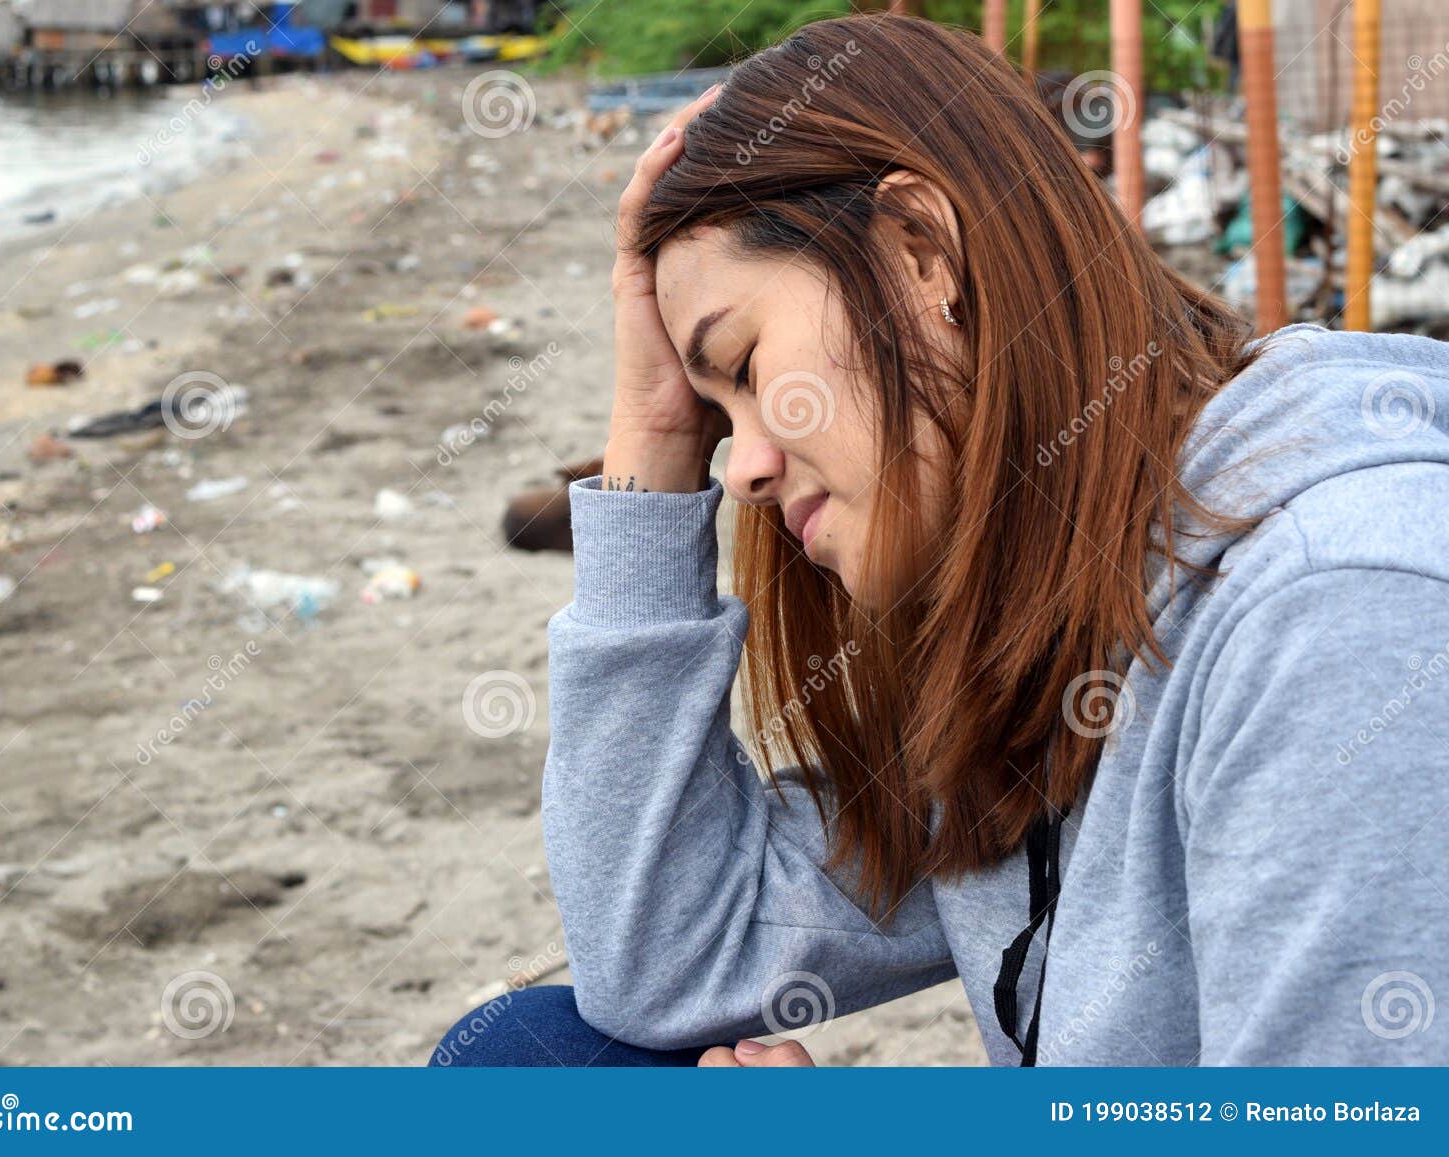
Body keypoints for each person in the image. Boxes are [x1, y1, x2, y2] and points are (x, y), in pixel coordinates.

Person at [432, 14, 1449, 1067]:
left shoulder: (1339, 612)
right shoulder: (1043, 605)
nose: (737, 469)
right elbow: (665, 957)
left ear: (921, 252)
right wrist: (650, 425)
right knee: (526, 1054)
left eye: (742, 363)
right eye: (714, 417)